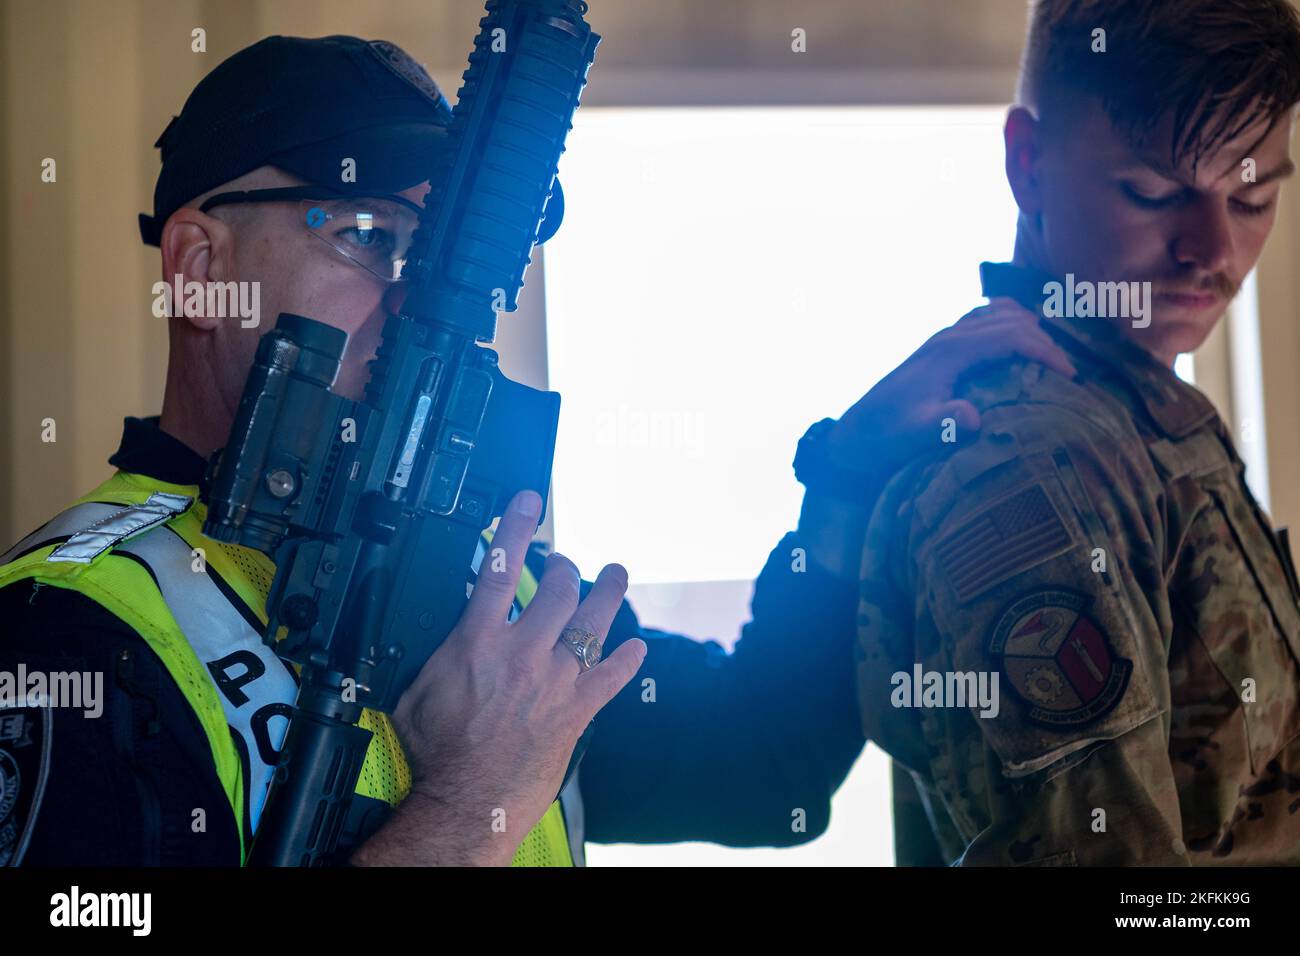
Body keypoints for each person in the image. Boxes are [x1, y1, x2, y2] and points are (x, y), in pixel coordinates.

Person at [0, 35, 1073, 867]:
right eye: (371, 236)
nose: (431, 302)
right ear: (196, 265)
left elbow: (764, 767)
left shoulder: (479, 596)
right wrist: (469, 801)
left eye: (457, 258)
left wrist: (844, 474)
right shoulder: (60, 634)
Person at [856, 0, 1300, 865]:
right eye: (1155, 192)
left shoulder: (1148, 418)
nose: (1212, 248)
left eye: (1253, 197)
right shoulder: (1031, 459)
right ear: (1028, 164)